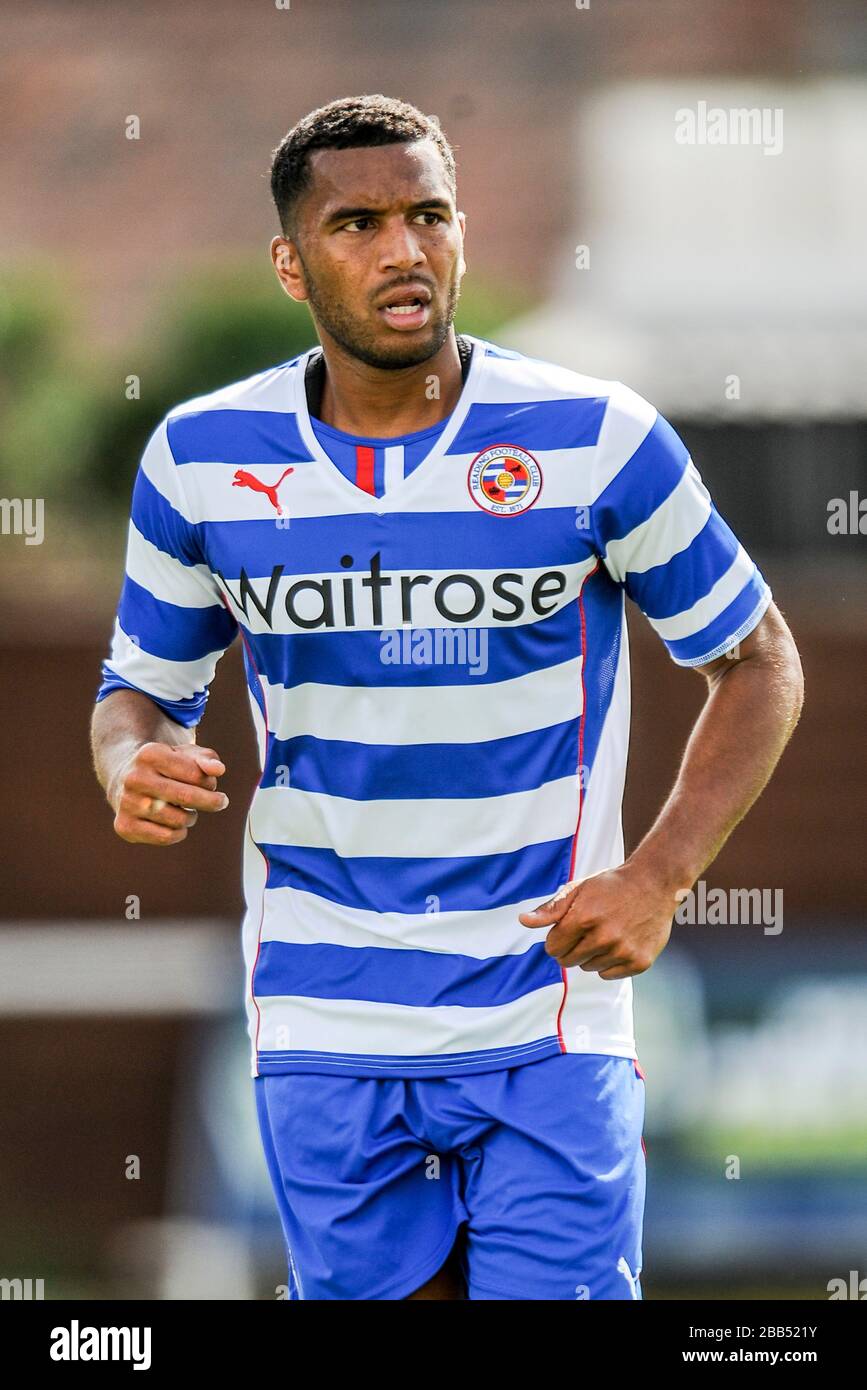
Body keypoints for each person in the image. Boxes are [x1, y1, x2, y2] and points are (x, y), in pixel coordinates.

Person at [90, 95, 804, 1301]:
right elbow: (138, 694)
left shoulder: (593, 437)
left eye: (427, 216)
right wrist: (131, 762)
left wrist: (659, 875)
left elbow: (759, 657)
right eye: (357, 223)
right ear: (291, 262)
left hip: (548, 1001)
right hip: (324, 1009)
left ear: (463, 233)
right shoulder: (201, 457)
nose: (402, 250)